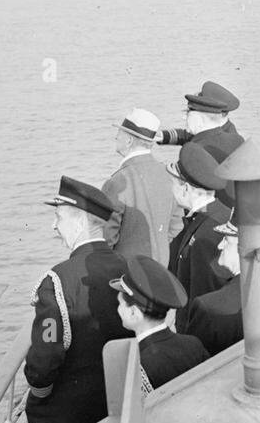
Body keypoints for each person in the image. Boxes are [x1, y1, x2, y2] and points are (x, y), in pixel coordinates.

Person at [25, 176, 130, 423]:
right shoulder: (127, 266)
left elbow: (44, 359)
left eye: (58, 218)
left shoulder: (56, 281)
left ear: (81, 221)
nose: (53, 228)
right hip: (112, 409)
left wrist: (40, 393)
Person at [178, 221, 260, 356]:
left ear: (245, 251)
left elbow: (197, 367)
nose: (220, 245)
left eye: (227, 241)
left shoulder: (208, 307)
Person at [110, 255, 209, 389]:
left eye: (120, 303)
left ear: (134, 313)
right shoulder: (193, 344)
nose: (118, 308)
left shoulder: (135, 365)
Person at [156, 80, 244, 210]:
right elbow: (194, 136)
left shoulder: (197, 152)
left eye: (187, 114)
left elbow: (178, 186)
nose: (183, 118)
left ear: (198, 119)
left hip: (207, 215)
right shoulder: (235, 139)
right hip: (232, 212)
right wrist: (163, 136)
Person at [102, 106, 174, 265]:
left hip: (127, 273)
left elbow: (106, 238)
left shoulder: (118, 181)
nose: (115, 137)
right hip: (161, 268)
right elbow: (176, 225)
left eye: (119, 134)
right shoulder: (167, 174)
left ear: (129, 140)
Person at [165, 142, 231, 302]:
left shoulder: (209, 232)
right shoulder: (214, 215)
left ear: (185, 189)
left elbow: (204, 292)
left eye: (172, 184)